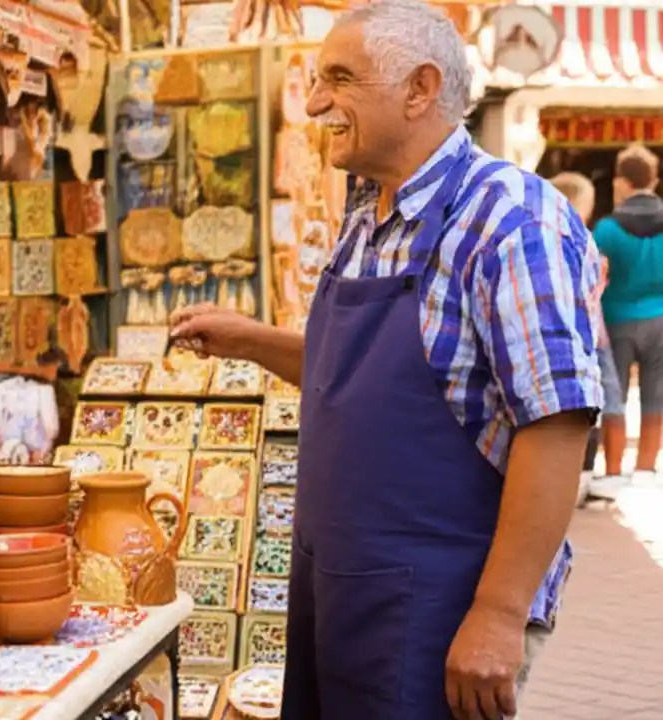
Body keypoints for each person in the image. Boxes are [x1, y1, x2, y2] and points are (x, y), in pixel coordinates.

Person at [169, 2, 601, 718]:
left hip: (440, 597)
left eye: (339, 79)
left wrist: (498, 611)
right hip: (340, 589)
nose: (314, 103)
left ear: (420, 87)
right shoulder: (369, 211)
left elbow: (555, 425)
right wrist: (250, 339)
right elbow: (362, 381)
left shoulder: (511, 217)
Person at [592, 144, 663, 497]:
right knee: (656, 394)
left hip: (616, 318)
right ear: (655, 180)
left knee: (614, 392)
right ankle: (647, 468)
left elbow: (594, 275)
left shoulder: (607, 228)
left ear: (621, 181)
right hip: (660, 319)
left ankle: (614, 469)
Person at [550, 171, 623, 502]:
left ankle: (572, 478)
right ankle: (584, 476)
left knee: (571, 408)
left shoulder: (548, 238)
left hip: (568, 335)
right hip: (590, 337)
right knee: (592, 404)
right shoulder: (583, 241)